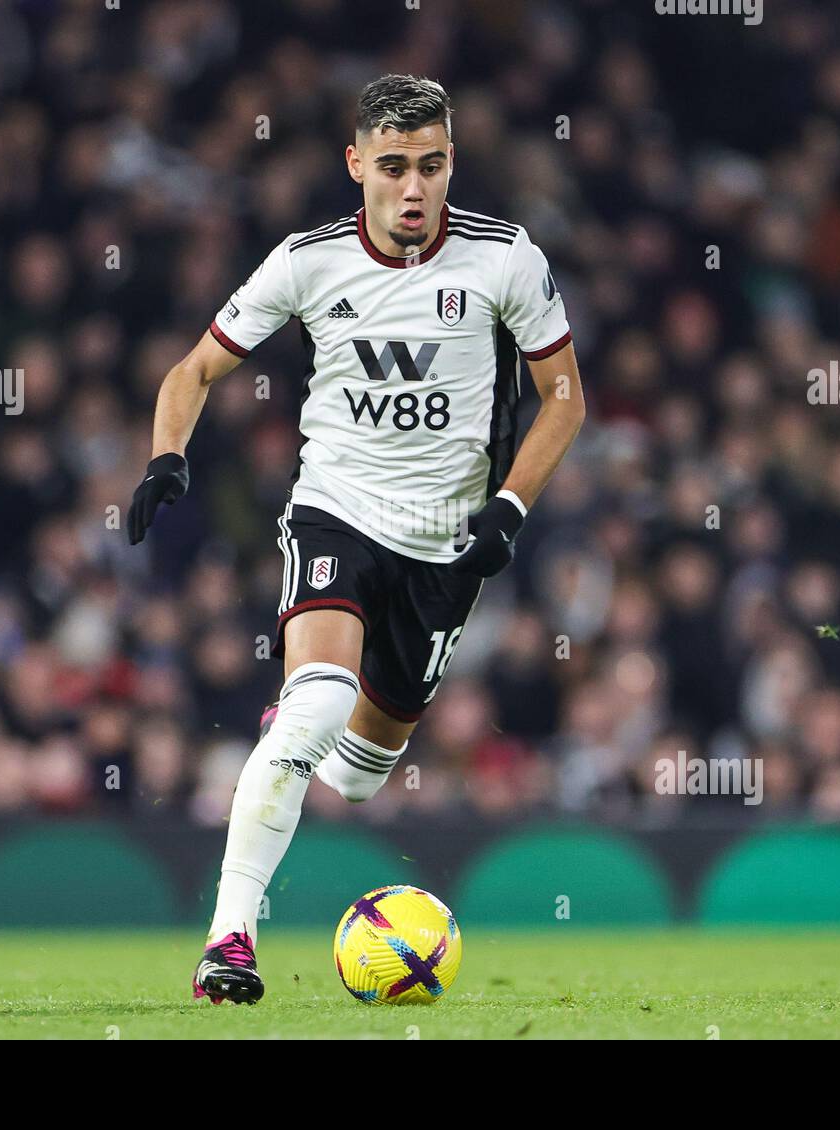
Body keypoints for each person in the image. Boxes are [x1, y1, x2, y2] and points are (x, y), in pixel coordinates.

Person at [127, 74, 585, 1004]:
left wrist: (509, 509)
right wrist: (165, 458)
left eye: (431, 165)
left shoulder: (506, 260)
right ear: (356, 167)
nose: (413, 188)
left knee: (365, 777)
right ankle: (229, 940)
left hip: (447, 548)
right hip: (337, 511)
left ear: (451, 162)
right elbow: (196, 368)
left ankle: (292, 734)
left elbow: (566, 400)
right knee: (318, 705)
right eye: (392, 168)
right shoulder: (307, 261)